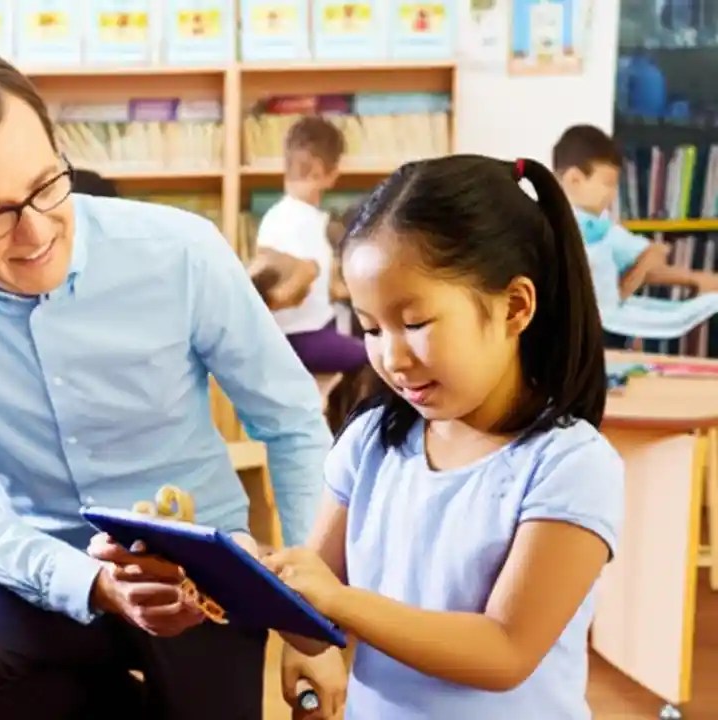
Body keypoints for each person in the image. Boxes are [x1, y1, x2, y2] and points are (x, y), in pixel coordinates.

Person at [0, 50, 331, 719]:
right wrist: (94, 584)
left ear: (60, 150)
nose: (35, 232)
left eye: (46, 184)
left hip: (198, 563)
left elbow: (291, 420)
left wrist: (309, 618)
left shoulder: (182, 250)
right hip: (40, 563)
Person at [263, 155, 623, 719]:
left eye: (416, 323)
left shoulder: (569, 464)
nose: (392, 357)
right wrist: (240, 577)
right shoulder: (369, 443)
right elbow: (316, 628)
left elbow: (505, 652)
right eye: (371, 327)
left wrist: (341, 600)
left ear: (515, 307)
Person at [554, 124, 718, 344]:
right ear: (574, 179)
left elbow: (649, 257)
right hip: (593, 325)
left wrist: (635, 278)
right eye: (608, 184)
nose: (612, 194)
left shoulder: (588, 226)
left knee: (674, 315)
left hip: (587, 326)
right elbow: (653, 253)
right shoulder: (595, 230)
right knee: (676, 317)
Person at [252, 116, 367, 377]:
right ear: (322, 172)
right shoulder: (296, 221)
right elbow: (291, 285)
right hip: (298, 336)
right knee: (376, 359)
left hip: (315, 324)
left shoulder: (298, 217)